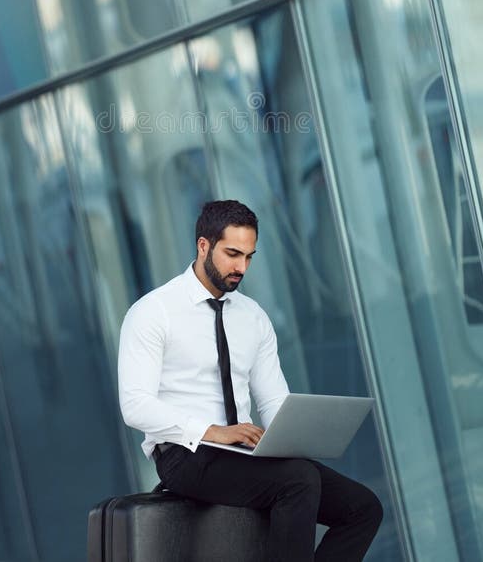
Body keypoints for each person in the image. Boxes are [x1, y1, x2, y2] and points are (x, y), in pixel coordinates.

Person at [118, 199, 383, 561]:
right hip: (185, 455)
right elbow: (135, 406)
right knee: (299, 481)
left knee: (363, 507)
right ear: (203, 245)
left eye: (249, 256)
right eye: (232, 254)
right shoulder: (152, 312)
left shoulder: (253, 317)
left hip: (244, 454)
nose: (241, 267)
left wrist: (291, 437)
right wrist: (214, 431)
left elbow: (273, 399)